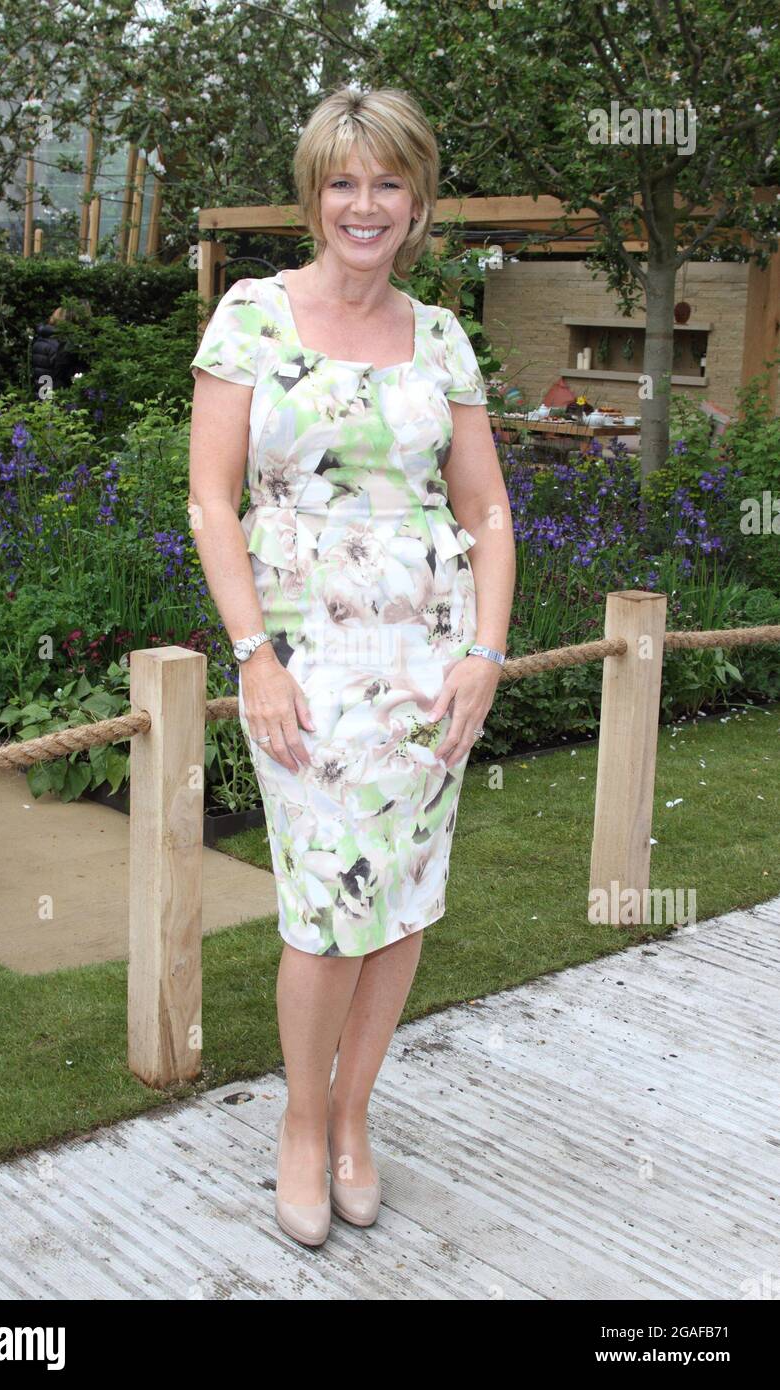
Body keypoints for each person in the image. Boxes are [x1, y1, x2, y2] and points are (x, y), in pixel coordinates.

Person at [188, 86, 515, 1248]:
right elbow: (210, 503)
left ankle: (354, 1119)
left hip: (427, 666)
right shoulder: (250, 316)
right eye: (342, 181)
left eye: (386, 182)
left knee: (402, 896)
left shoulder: (439, 335)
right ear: (311, 195)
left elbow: (482, 505)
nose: (363, 205)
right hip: (305, 666)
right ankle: (299, 1118)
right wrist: (254, 659)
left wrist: (483, 651)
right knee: (327, 904)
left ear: (417, 200)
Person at [31, 303, 89, 399]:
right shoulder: (58, 343)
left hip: (43, 391)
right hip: (55, 394)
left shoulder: (41, 339)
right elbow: (60, 371)